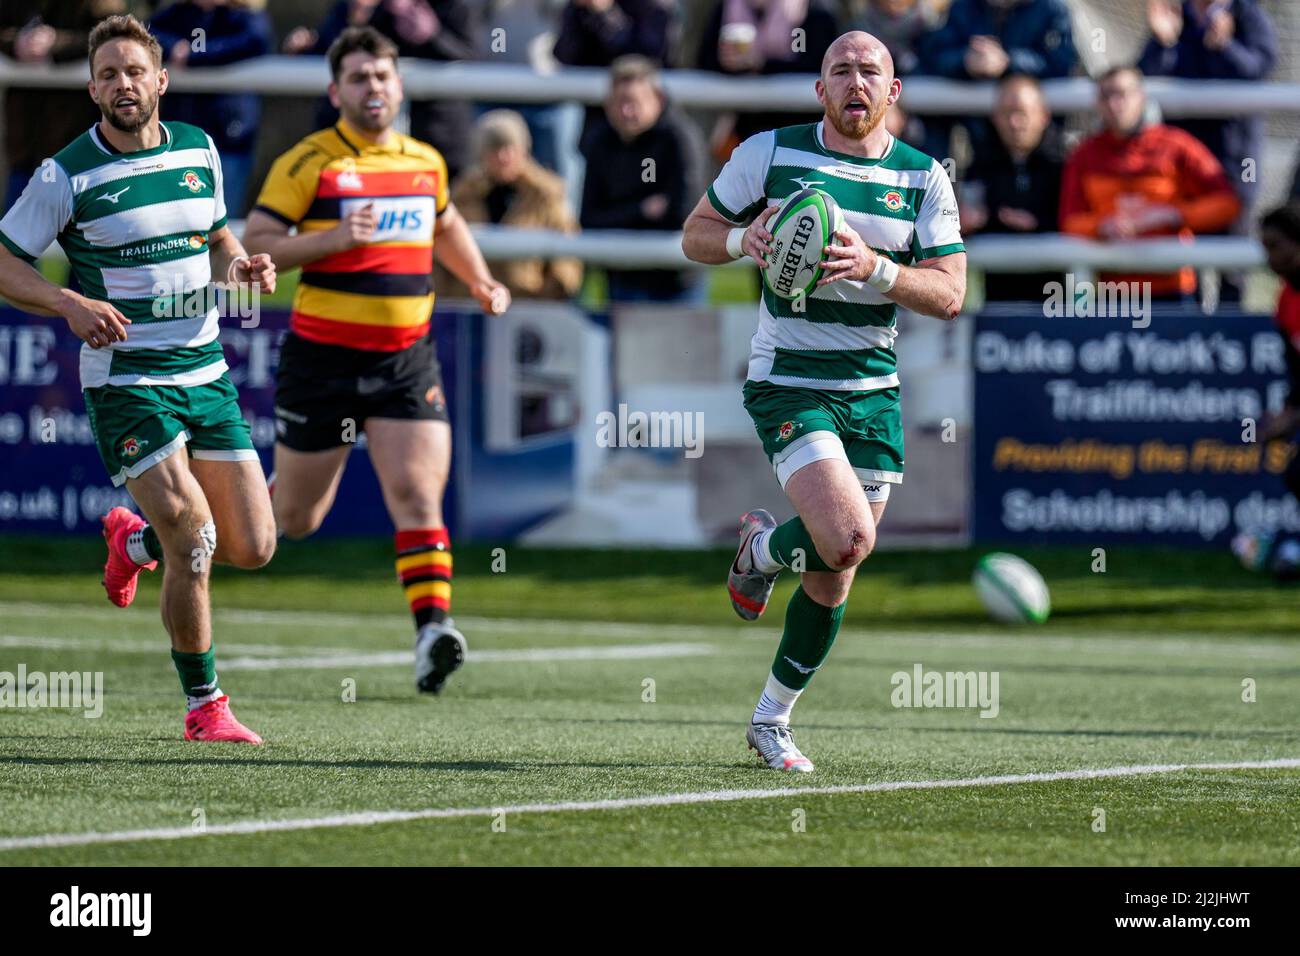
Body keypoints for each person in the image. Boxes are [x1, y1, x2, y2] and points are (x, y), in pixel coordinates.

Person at [681, 31, 966, 772]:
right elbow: (696, 236)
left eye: (871, 70)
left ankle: (769, 715)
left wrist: (876, 269)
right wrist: (746, 239)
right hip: (790, 380)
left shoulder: (923, 178)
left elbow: (950, 293)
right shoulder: (767, 154)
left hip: (872, 391)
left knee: (837, 568)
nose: (855, 82)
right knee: (844, 539)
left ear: (892, 92)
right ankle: (760, 553)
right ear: (820, 89)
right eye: (839, 69)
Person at [0, 14, 278, 743]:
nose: (124, 84)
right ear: (93, 89)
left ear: (162, 79)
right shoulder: (66, 174)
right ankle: (205, 707)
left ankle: (131, 544)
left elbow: (217, 238)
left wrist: (242, 267)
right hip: (127, 381)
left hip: (207, 370)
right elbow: (4, 260)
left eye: (135, 71)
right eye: (109, 75)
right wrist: (68, 301)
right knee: (192, 532)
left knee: (253, 545)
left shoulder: (199, 148)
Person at [243, 26, 511, 695]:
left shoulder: (425, 161)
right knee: (294, 521)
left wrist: (479, 280)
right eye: (359, 77)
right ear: (336, 91)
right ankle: (160, 538)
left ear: (398, 86)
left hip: (404, 362)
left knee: (418, 493)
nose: (373, 88)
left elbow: (445, 223)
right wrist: (333, 237)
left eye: (383, 76)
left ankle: (432, 631)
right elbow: (258, 244)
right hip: (323, 362)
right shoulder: (309, 162)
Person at [1059, 66, 1240, 303]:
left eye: (1122, 94)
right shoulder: (1085, 155)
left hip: (1174, 288)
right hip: (1114, 292)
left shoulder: (1176, 145)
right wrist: (1102, 226)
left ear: (1141, 97)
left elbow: (1226, 205)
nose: (1115, 104)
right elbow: (1069, 221)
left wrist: (1172, 215)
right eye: (1106, 96)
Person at [581, 55, 704, 303]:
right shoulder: (599, 141)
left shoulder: (680, 138)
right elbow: (588, 219)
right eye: (619, 102)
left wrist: (620, 217)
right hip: (622, 280)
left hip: (676, 284)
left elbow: (685, 214)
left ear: (657, 99)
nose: (626, 111)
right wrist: (642, 210)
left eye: (633, 102)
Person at [438, 109, 582, 301]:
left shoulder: (546, 196)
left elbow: (566, 261)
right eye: (495, 148)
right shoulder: (462, 196)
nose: (503, 157)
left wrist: (551, 299)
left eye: (510, 148)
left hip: (531, 307)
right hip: (471, 307)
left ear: (524, 150)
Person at [148, 0, 274, 218]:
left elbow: (254, 41)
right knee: (173, 217)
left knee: (221, 218)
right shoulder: (178, 13)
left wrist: (195, 57)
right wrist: (173, 47)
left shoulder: (245, 16)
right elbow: (146, 34)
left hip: (227, 137)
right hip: (178, 139)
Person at [960, 73, 1064, 301]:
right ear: (995, 117)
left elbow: (1079, 220)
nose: (1015, 123)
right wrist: (970, 223)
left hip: (1054, 300)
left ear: (1043, 116)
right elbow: (966, 221)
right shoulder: (979, 166)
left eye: (1023, 113)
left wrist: (1039, 224)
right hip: (996, 300)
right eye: (1007, 113)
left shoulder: (1065, 165)